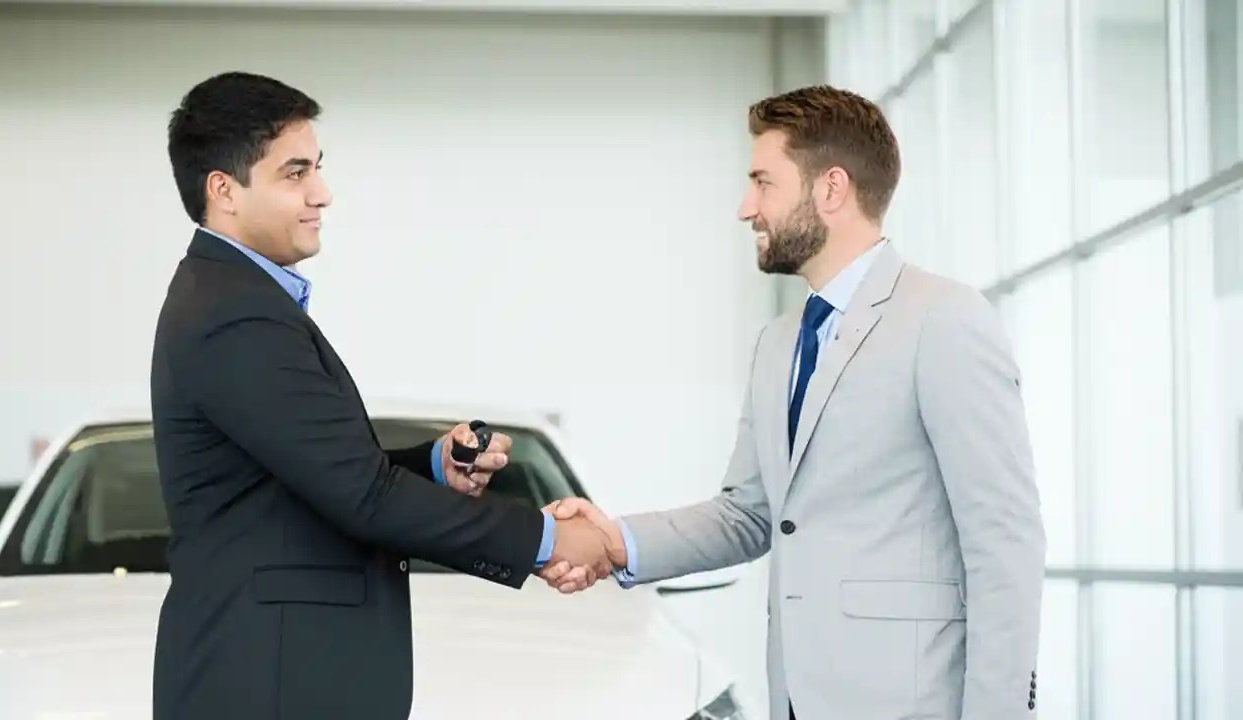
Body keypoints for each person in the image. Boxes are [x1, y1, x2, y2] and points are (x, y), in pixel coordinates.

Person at [541, 85, 1047, 720]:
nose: (745, 207)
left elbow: (1004, 543)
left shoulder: (944, 320)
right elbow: (750, 515)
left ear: (830, 189)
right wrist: (616, 541)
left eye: (762, 181)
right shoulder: (779, 342)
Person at [150, 71, 611, 720]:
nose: (322, 193)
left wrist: (431, 465)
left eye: (318, 168)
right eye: (295, 172)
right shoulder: (235, 314)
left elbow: (311, 479)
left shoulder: (231, 299)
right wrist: (544, 540)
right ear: (223, 191)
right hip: (270, 684)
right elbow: (362, 497)